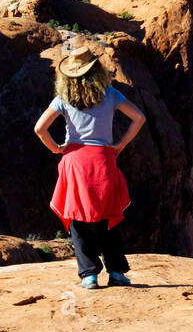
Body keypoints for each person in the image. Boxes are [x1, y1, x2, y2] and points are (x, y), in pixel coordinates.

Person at [34, 47, 146, 289]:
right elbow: (139, 118)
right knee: (108, 216)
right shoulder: (111, 94)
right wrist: (121, 145)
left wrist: (57, 148)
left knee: (78, 217)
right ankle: (116, 272)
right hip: (103, 159)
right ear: (97, 71)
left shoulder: (62, 99)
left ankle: (89, 275)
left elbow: (39, 128)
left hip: (74, 161)